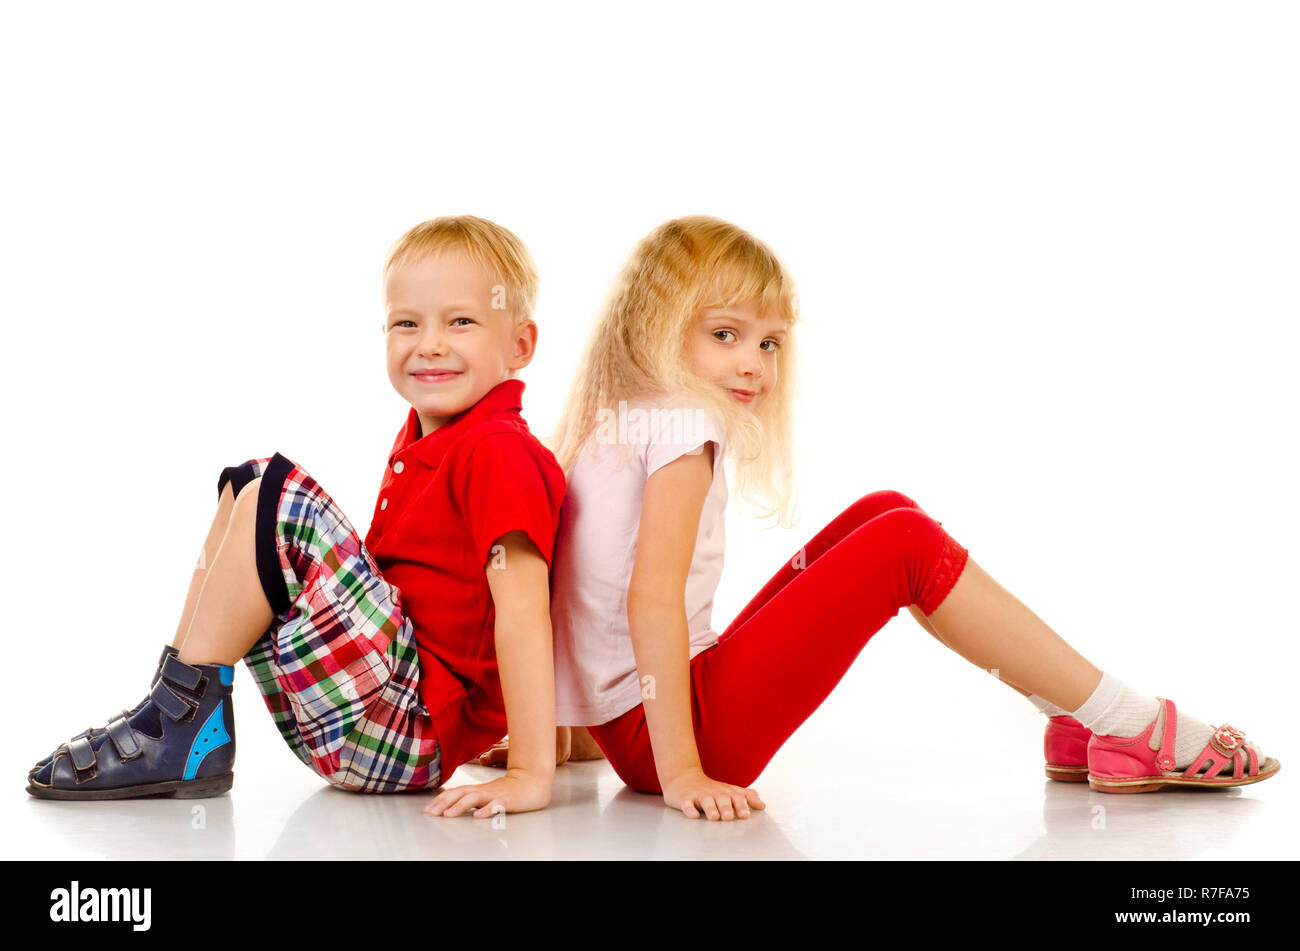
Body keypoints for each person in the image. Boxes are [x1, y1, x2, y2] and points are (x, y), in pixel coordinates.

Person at [543, 215, 1280, 821]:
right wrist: (680, 772)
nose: (753, 365)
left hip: (638, 727)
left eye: (768, 343)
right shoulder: (683, 430)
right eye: (725, 335)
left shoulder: (617, 420)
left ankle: (1074, 715)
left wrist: (574, 730)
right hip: (675, 738)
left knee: (883, 512)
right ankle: (1129, 721)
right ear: (656, 325)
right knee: (904, 543)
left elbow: (579, 597)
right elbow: (649, 600)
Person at [27, 215, 568, 818]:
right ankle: (175, 704)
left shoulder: (498, 450)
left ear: (520, 345)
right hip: (376, 717)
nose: (430, 343)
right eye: (407, 323)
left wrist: (530, 770)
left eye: (460, 321)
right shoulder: (433, 438)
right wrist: (554, 738)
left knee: (277, 498)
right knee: (250, 484)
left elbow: (526, 610)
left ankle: (180, 727)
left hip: (408, 723)